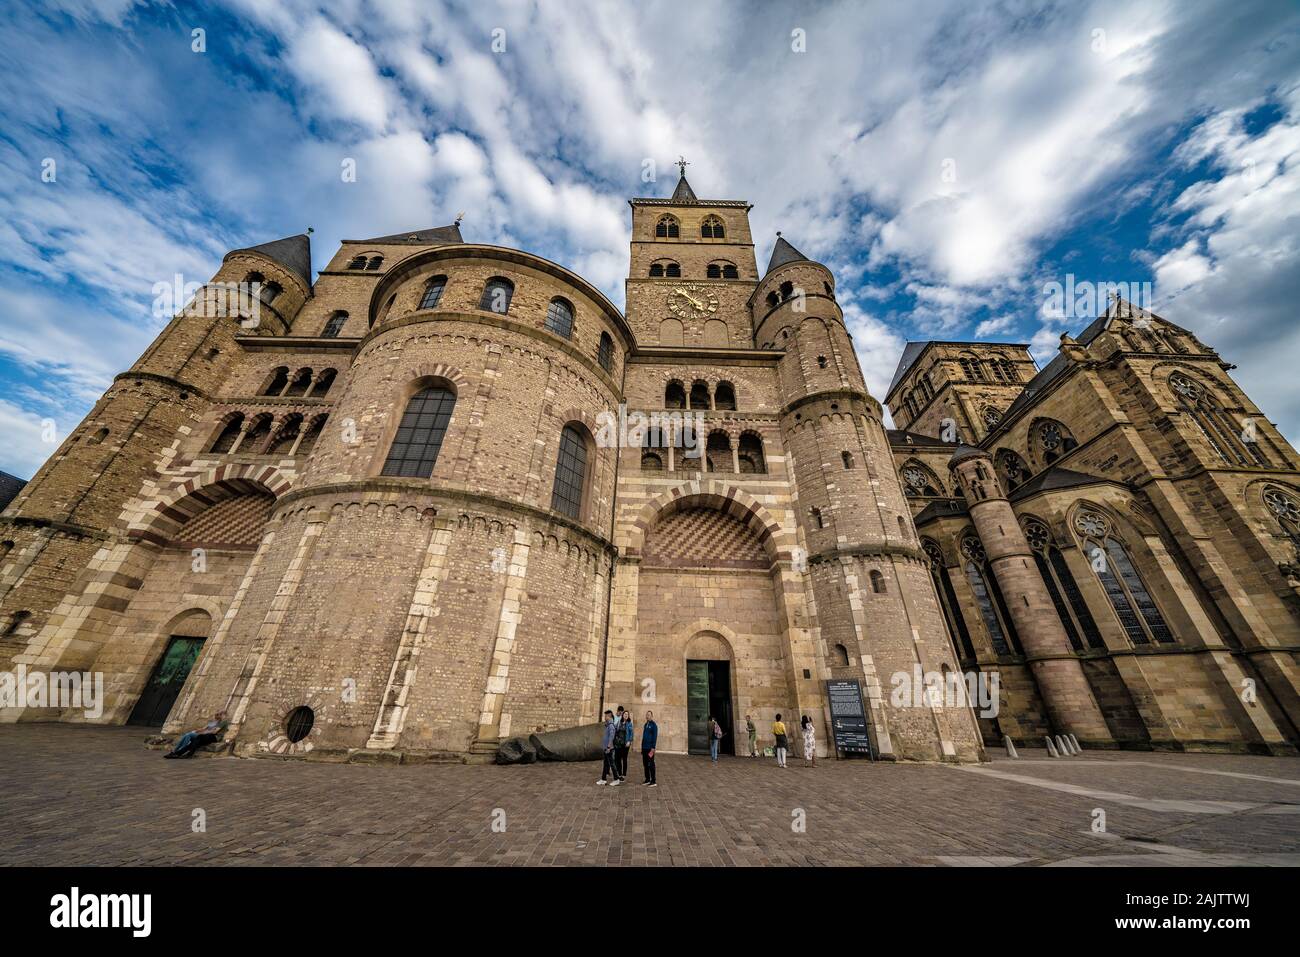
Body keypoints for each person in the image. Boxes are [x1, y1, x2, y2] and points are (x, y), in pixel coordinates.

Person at [598, 709, 621, 786]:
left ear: (609, 716)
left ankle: (616, 779)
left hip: (609, 749)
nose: (604, 717)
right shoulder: (608, 725)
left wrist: (608, 747)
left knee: (612, 764)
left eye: (606, 715)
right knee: (606, 764)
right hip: (606, 748)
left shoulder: (611, 726)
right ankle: (603, 779)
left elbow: (611, 737)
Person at [641, 710, 658, 787]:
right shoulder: (645, 725)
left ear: (652, 716)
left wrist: (653, 747)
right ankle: (647, 779)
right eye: (647, 715)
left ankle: (653, 781)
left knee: (651, 764)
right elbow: (644, 737)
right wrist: (642, 747)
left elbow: (654, 737)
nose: (647, 716)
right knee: (645, 764)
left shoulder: (654, 725)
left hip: (650, 749)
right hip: (644, 748)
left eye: (649, 715)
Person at [616, 709, 633, 781]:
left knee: (624, 759)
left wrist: (629, 741)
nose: (626, 715)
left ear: (628, 716)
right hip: (619, 743)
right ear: (622, 715)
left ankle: (624, 774)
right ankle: (619, 773)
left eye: (627, 714)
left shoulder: (629, 723)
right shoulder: (619, 722)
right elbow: (616, 731)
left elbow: (631, 733)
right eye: (624, 714)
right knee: (618, 759)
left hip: (626, 744)